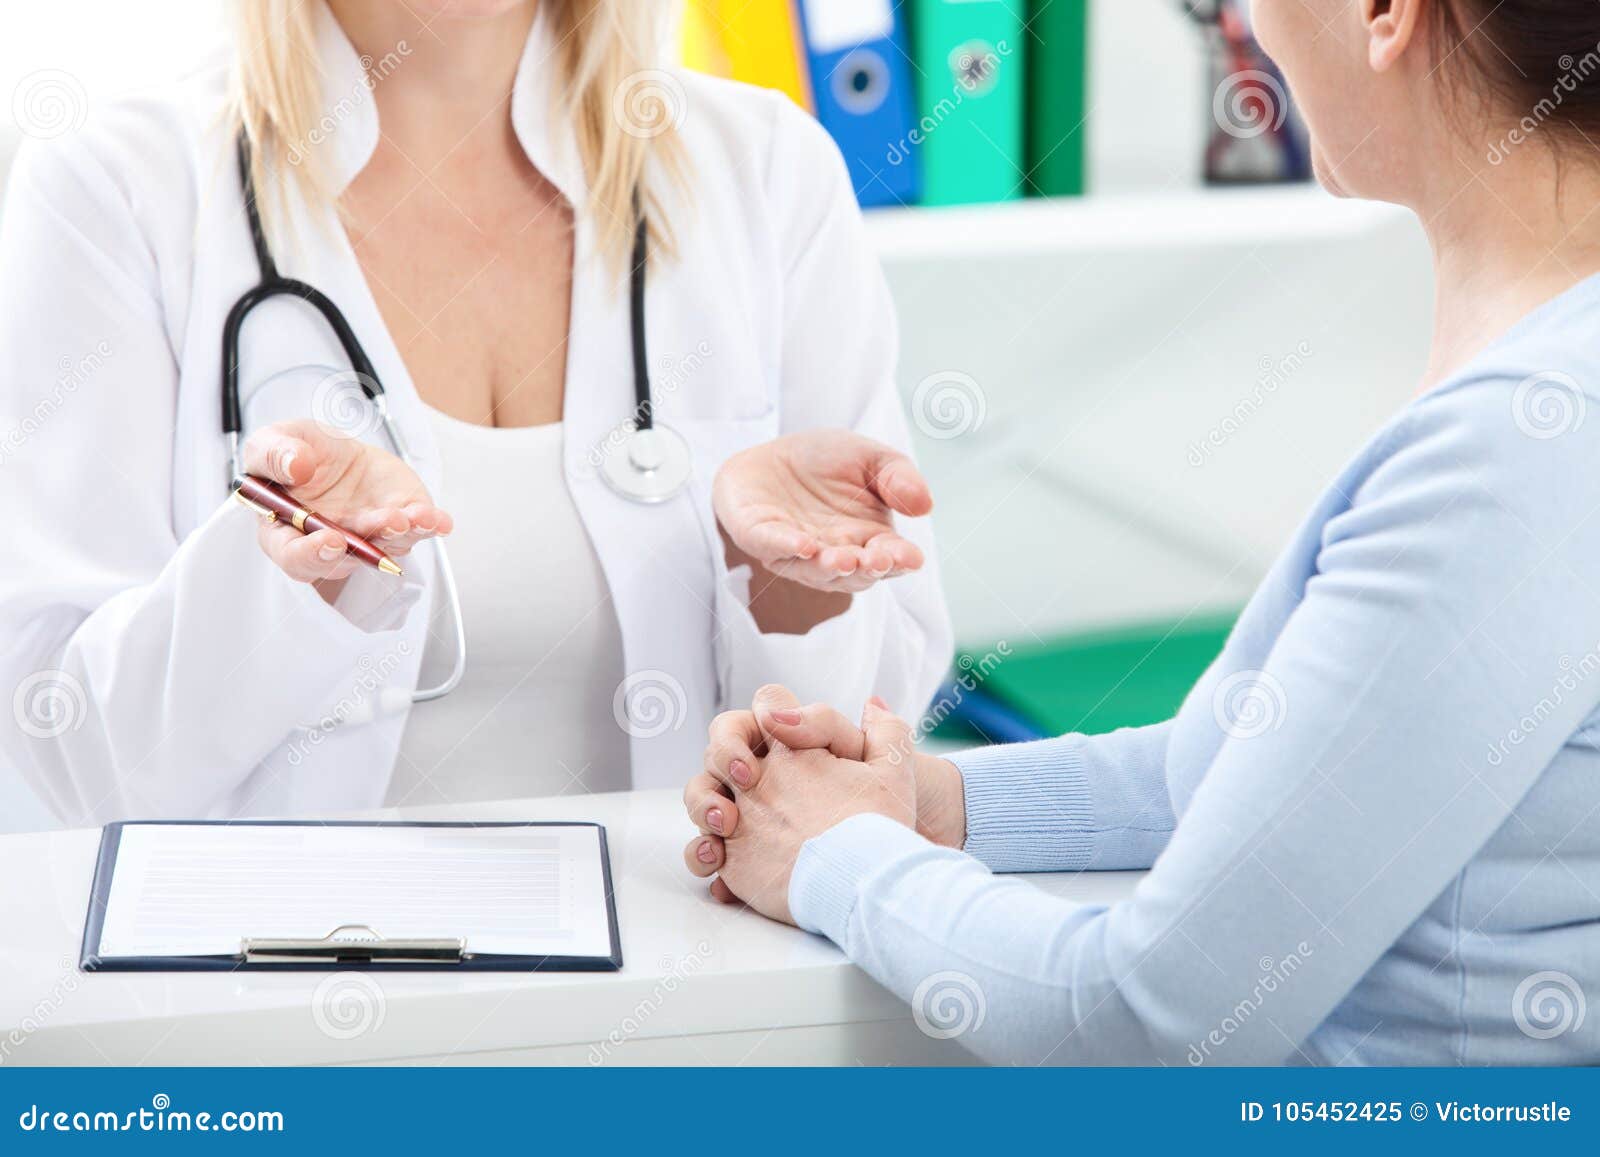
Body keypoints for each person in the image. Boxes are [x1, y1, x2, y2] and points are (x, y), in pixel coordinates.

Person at [683, 0, 1600, 1065]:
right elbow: (1253, 776)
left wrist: (833, 854)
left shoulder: (1519, 446)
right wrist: (930, 799)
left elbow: (1142, 1019)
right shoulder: (1538, 385)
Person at [0, 0, 951, 824]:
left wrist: (790, 586)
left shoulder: (770, 173)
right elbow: (71, 754)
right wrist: (282, 582)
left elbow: (881, 740)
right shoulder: (114, 192)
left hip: (700, 999)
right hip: (284, 1010)